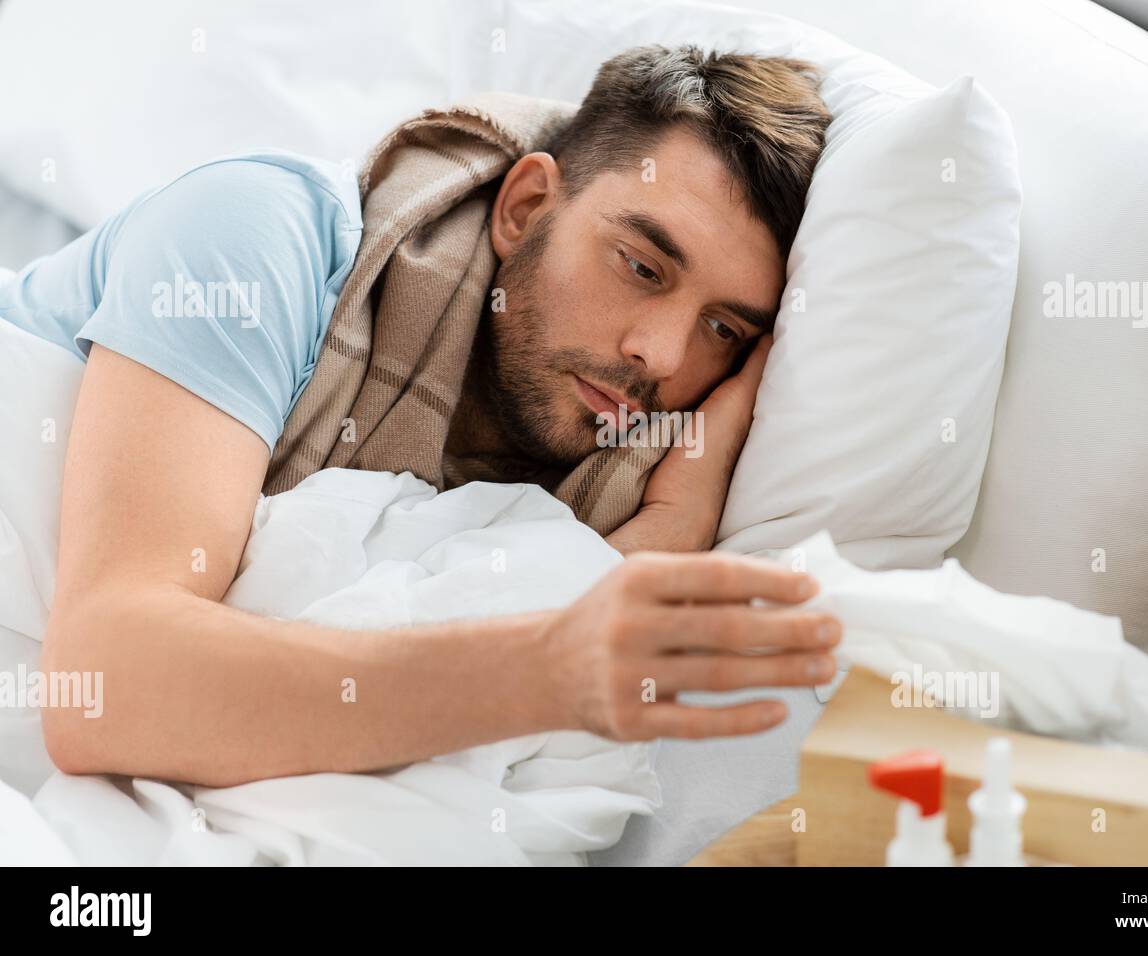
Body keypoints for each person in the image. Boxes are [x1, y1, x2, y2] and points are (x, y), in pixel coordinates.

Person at [2, 45, 840, 787]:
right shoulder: (255, 233)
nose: (660, 356)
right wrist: (542, 672)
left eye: (723, 330)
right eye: (641, 266)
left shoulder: (622, 468)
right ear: (525, 207)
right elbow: (108, 687)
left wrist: (670, 524)